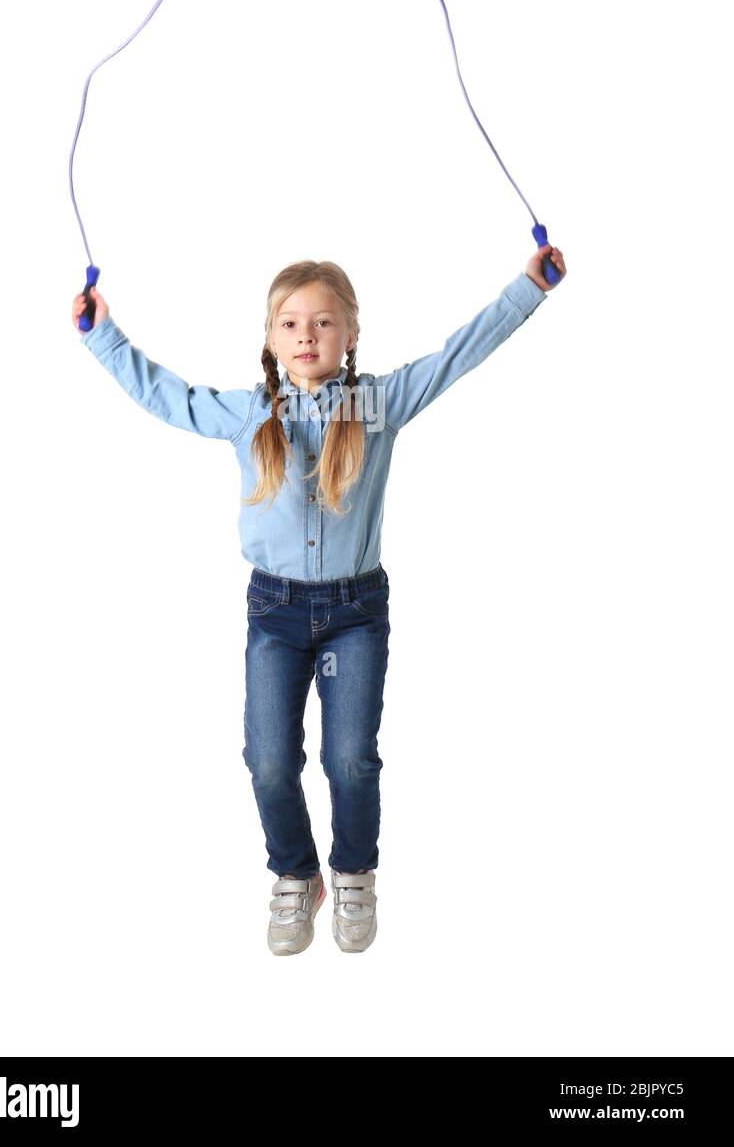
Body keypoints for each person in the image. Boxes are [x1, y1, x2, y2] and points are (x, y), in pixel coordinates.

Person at [72, 244, 566, 955]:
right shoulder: (250, 414)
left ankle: (354, 870)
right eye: (291, 323)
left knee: (350, 759)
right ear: (271, 339)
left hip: (354, 615)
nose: (308, 335)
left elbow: (461, 353)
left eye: (324, 322)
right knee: (268, 759)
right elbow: (164, 393)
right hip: (274, 613)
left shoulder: (378, 406)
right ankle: (296, 873)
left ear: (351, 334)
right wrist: (100, 334)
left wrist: (529, 288)